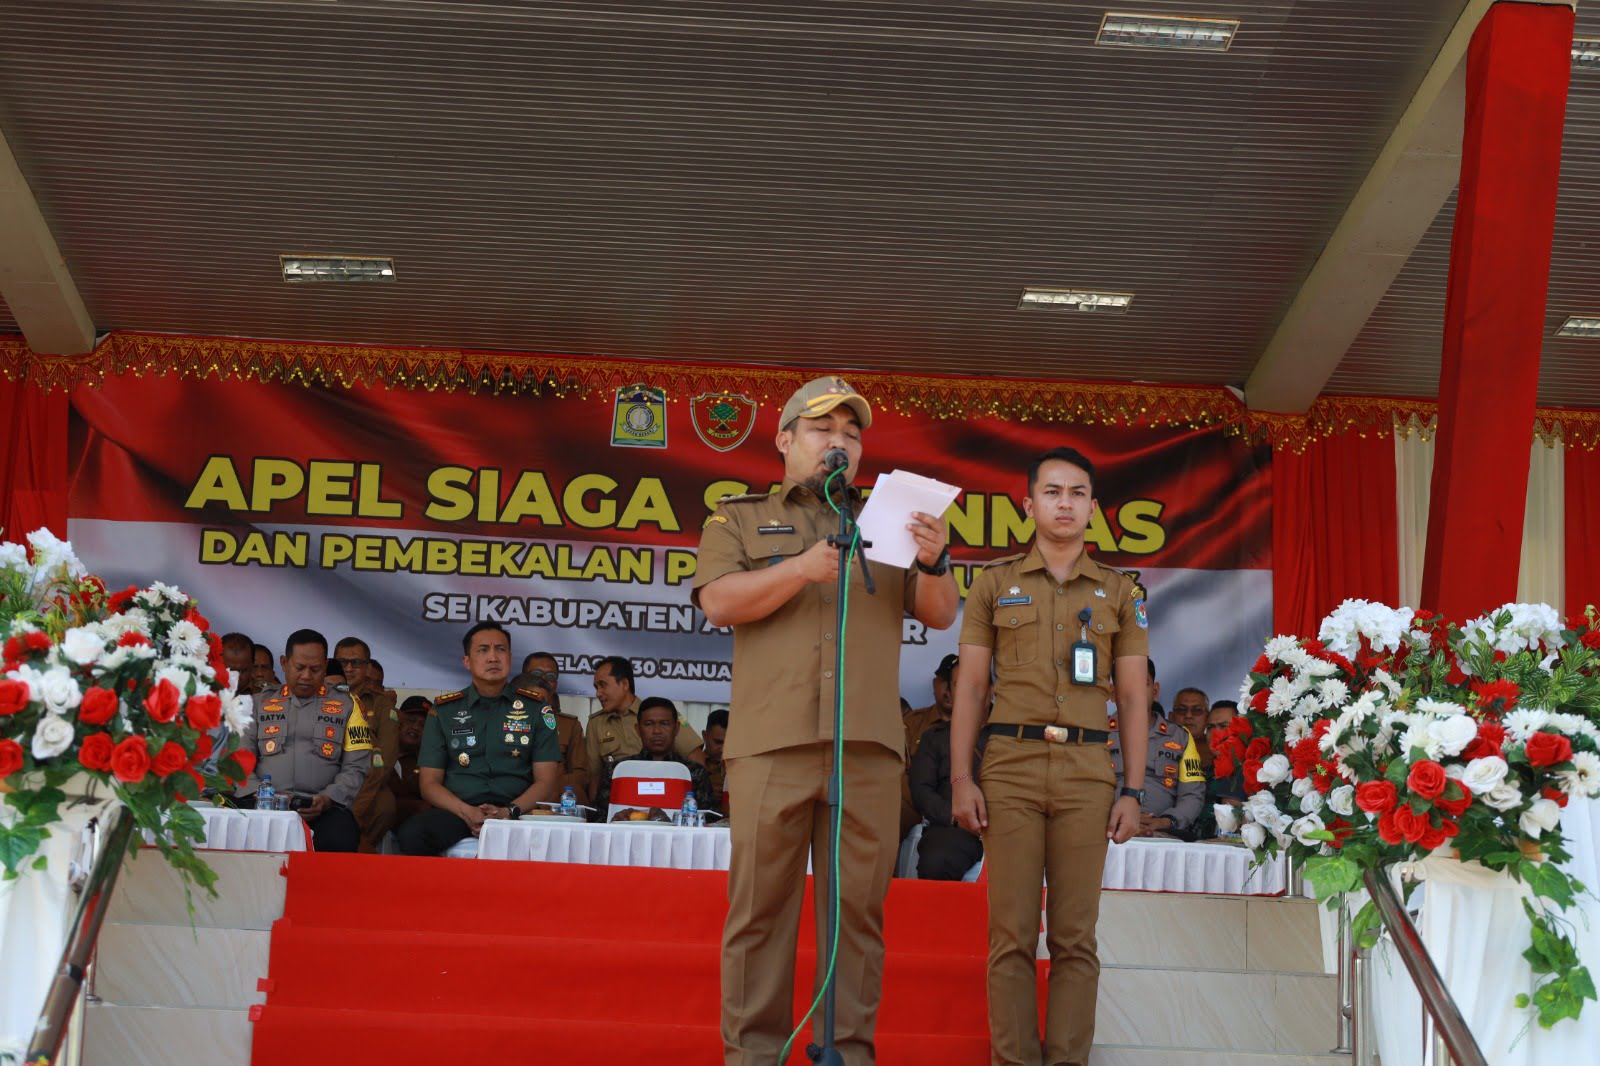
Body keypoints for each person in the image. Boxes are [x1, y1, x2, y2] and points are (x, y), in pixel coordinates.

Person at [694, 374, 959, 1065]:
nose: (838, 443)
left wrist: (936, 558)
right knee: (760, 916)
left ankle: (846, 1053)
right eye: (822, 430)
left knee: (858, 920)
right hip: (771, 745)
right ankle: (755, 1056)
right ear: (785, 440)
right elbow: (719, 602)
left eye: (851, 433)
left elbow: (938, 613)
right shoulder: (737, 517)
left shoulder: (888, 523)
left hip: (866, 748)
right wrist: (800, 569)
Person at [950, 446, 1149, 1066]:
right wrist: (961, 776)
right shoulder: (993, 582)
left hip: (1089, 774)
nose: (1066, 504)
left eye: (1078, 493)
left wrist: (1133, 790)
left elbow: (1134, 697)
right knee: (1010, 936)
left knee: (1073, 939)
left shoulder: (1120, 591)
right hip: (1008, 766)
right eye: (1054, 492)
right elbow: (973, 688)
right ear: (1029, 503)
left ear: (1094, 507)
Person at [398, 622, 561, 856]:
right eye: (483, 650)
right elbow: (429, 784)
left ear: (510, 658)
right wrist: (467, 812)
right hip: (458, 811)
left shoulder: (537, 709)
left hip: (518, 812)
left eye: (500, 649)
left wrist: (508, 812)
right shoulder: (443, 710)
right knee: (413, 835)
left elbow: (546, 781)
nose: (493, 657)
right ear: (467, 661)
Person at [238, 629, 375, 852]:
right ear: (284, 663)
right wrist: (260, 795)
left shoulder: (349, 705)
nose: (306, 676)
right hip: (261, 805)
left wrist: (328, 799)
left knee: (341, 838)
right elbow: (238, 761)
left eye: (315, 669)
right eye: (299, 667)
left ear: (326, 664)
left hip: (324, 809)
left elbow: (356, 767)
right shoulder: (255, 704)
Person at [909, 658, 985, 880]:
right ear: (951, 694)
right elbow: (921, 791)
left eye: (975, 683)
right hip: (953, 829)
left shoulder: (1011, 737)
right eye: (959, 686)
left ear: (991, 690)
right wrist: (956, 818)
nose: (969, 692)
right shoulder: (935, 738)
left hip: (1011, 830)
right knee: (937, 860)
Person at [592, 697, 717, 816]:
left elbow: (709, 820)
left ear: (677, 729)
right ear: (638, 730)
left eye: (664, 723)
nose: (657, 731)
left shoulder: (694, 772)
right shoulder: (617, 770)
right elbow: (598, 818)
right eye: (649, 724)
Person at [585, 655, 703, 777]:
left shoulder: (660, 714)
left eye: (603, 685)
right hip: (620, 793)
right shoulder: (596, 723)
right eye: (596, 687)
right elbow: (594, 777)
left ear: (624, 684)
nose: (598, 693)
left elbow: (697, 761)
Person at [339, 636, 400, 853]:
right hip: (327, 777)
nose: (348, 668)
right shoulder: (323, 697)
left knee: (385, 805)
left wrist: (358, 800)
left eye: (355, 663)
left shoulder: (382, 704)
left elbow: (385, 758)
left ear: (366, 667)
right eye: (342, 662)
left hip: (367, 779)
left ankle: (358, 853)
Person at [1108, 708, 1205, 839]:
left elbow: (1192, 794)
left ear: (1155, 691)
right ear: (1114, 692)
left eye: (1145, 685)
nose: (1138, 690)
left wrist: (1166, 821)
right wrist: (1115, 818)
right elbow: (1086, 787)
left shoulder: (1180, 736)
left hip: (1166, 833)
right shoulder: (1098, 732)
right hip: (1107, 828)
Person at [512, 651, 591, 806]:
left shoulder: (569, 725)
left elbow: (580, 776)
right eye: (536, 674)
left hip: (553, 801)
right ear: (523, 677)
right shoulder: (504, 717)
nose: (544, 680)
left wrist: (545, 787)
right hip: (511, 798)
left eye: (551, 676)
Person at [904, 653, 957, 760]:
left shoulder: (979, 725)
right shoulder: (913, 722)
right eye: (943, 682)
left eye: (956, 684)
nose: (948, 691)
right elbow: (898, 767)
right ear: (934, 683)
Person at [1169, 687, 1211, 773]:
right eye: (1181, 710)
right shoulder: (1156, 745)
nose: (1188, 715)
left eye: (1197, 710)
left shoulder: (1216, 750)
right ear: (1171, 717)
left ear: (1208, 717)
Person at [702, 708, 729, 811]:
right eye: (718, 742)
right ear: (705, 736)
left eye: (728, 743)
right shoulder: (691, 765)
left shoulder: (740, 767)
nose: (723, 749)